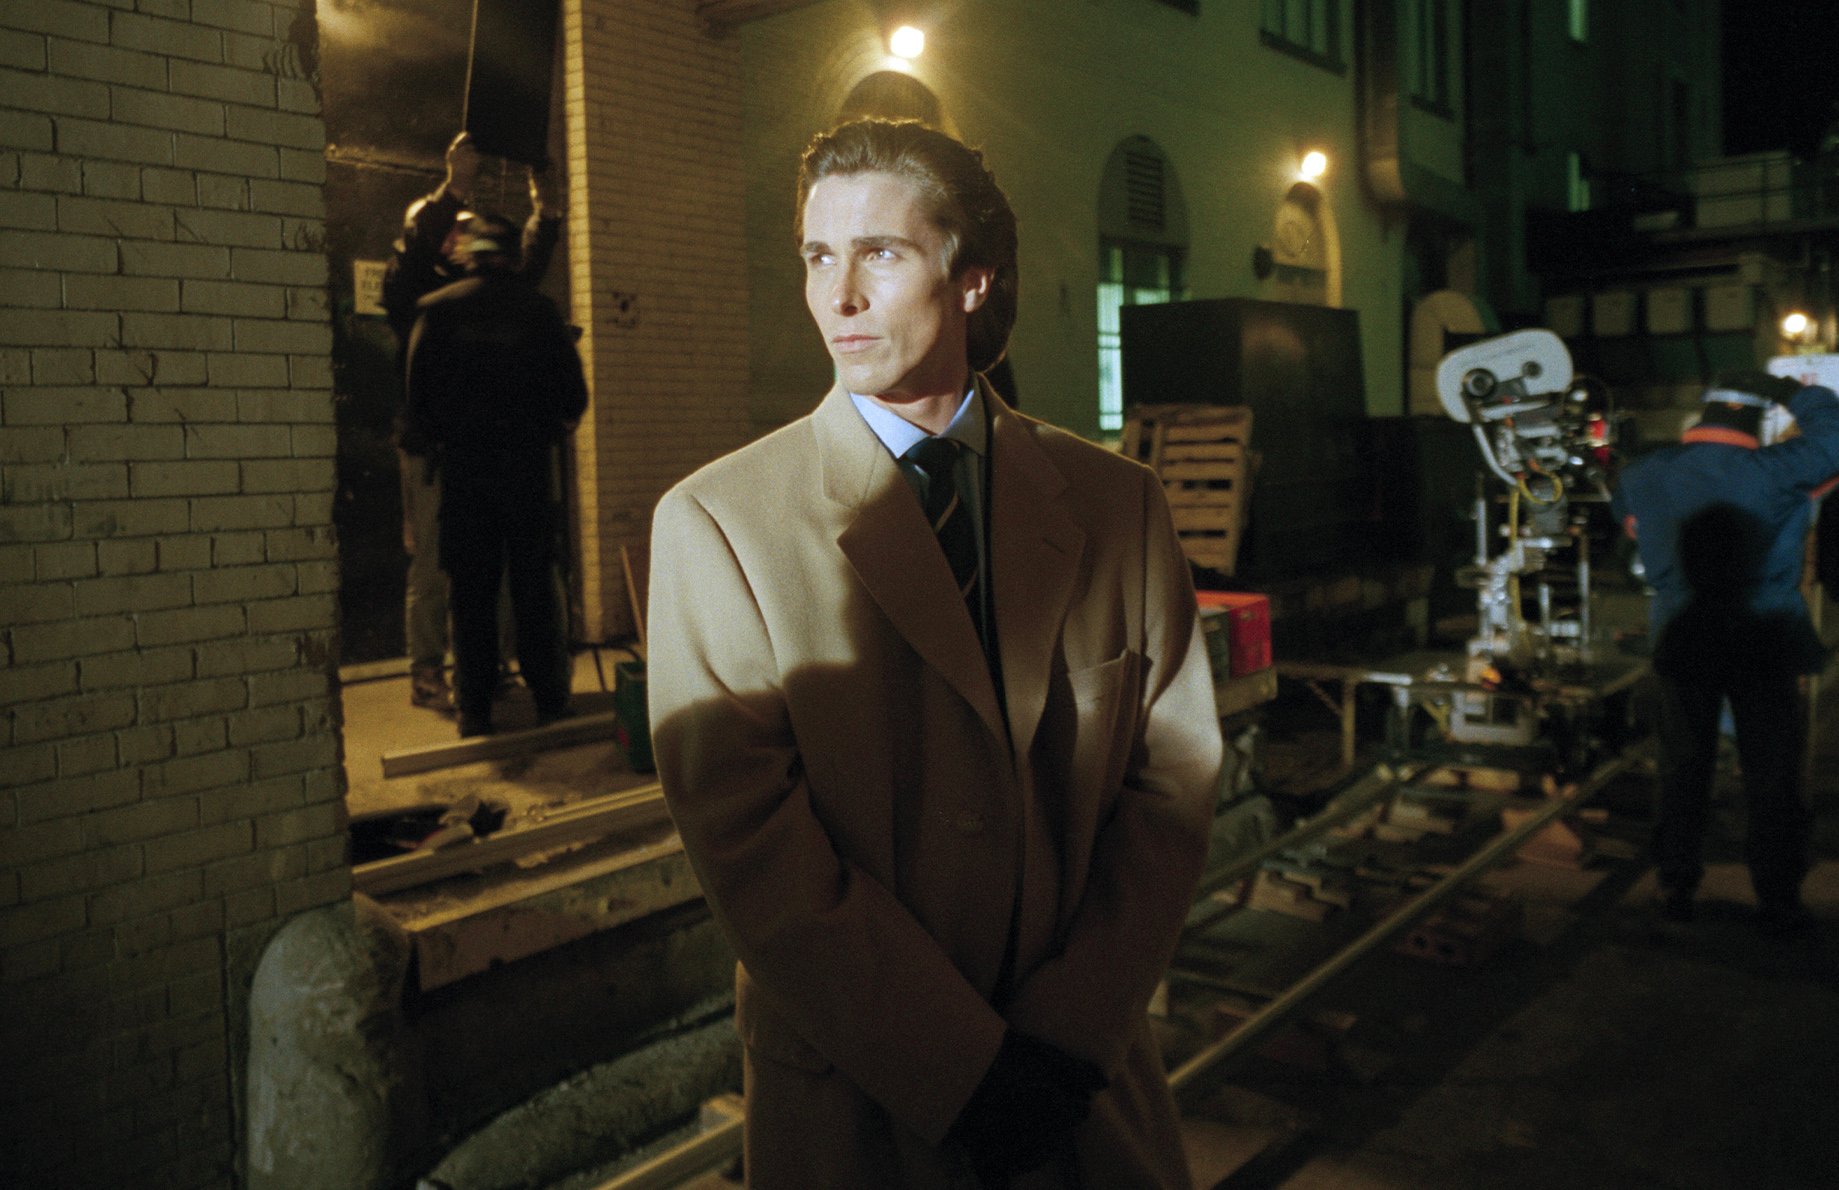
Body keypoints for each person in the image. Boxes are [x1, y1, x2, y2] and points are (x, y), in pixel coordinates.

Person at [646, 118, 1223, 1189]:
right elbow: (750, 844)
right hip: (860, 1098)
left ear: (970, 277)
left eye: (881, 252)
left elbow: (1173, 778)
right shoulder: (720, 523)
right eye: (820, 256)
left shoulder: (1115, 505)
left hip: (1077, 1090)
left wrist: (1066, 1029)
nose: (839, 296)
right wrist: (960, 1066)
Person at [1612, 370, 1839, 935]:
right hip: (1764, 638)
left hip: (1683, 633)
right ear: (1757, 418)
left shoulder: (1643, 474)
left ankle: (1676, 885)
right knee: (1771, 772)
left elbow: (1628, 523)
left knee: (1682, 765)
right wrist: (1793, 392)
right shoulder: (1778, 472)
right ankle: (1778, 897)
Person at [381, 131, 564, 712]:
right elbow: (408, 275)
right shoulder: (421, 296)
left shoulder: (482, 299)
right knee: (435, 560)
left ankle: (488, 669)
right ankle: (429, 669)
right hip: (435, 447)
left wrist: (546, 214)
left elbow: (523, 275)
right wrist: (453, 186)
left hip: (476, 449)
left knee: (489, 562)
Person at [402, 213, 587, 738]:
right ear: (511, 255)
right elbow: (574, 397)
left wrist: (449, 437)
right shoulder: (540, 313)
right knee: (533, 586)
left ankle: (474, 709)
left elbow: (417, 405)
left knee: (472, 591)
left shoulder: (436, 314)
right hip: (528, 471)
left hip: (466, 475)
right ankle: (550, 699)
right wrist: (543, 426)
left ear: (466, 253)